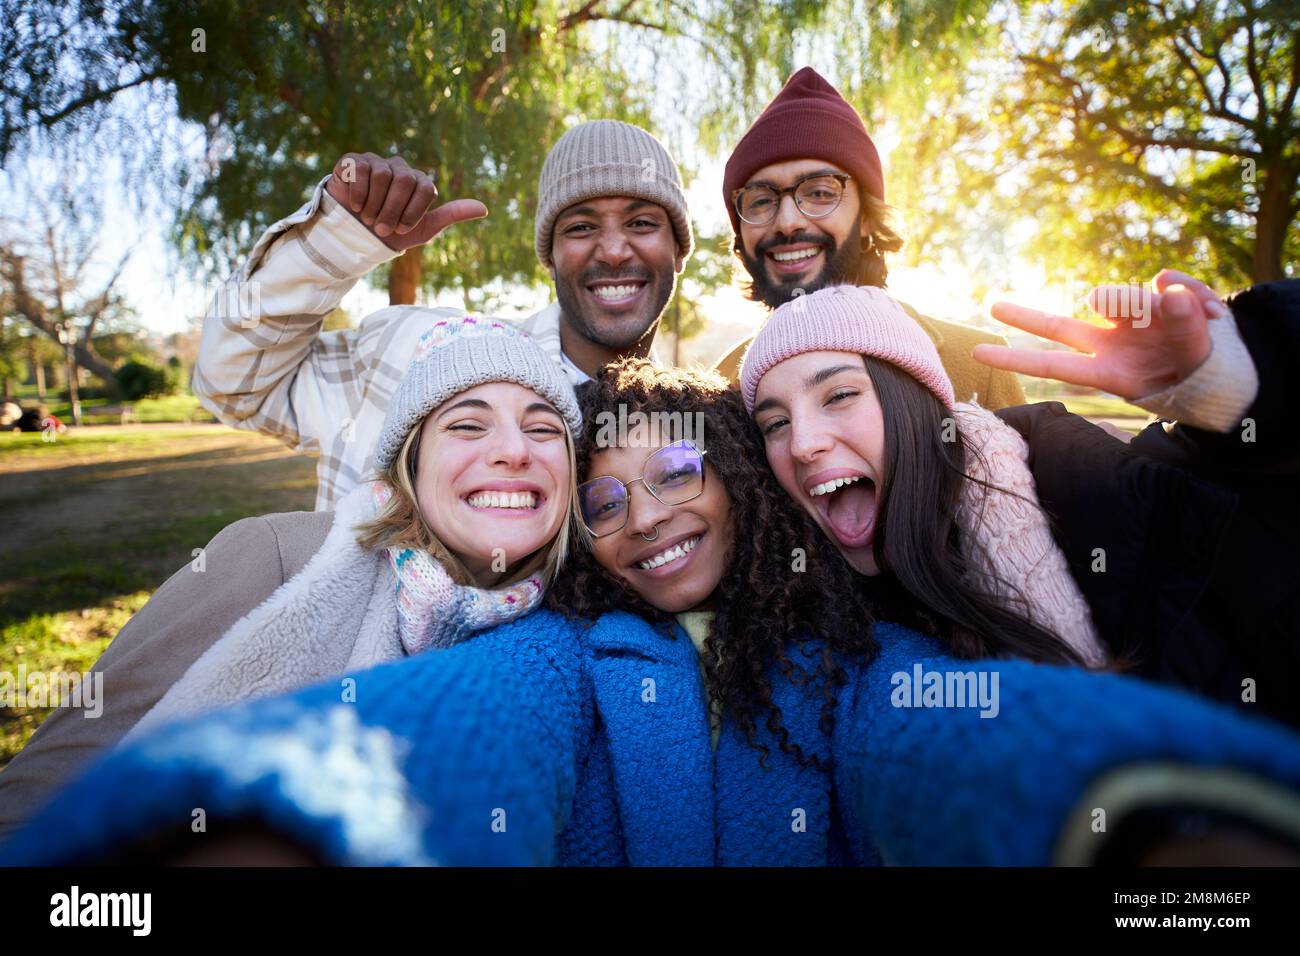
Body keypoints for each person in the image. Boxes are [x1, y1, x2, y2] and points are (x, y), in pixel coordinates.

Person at [8, 360, 1300, 867]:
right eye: (606, 497)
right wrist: (293, 816)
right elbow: (456, 725)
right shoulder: (551, 648)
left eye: (681, 476)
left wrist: (1132, 808)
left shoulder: (843, 647)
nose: (645, 517)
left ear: (744, 486)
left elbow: (941, 723)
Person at [0, 316, 581, 836]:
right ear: (412, 457)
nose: (513, 450)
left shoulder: (575, 628)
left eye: (544, 429)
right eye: (467, 426)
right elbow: (53, 777)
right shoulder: (275, 556)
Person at [742, 275, 1300, 727]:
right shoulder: (804, 582)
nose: (804, 442)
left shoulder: (1074, 478)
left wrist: (1247, 391)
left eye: (839, 395)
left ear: (914, 404)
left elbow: (1254, 539)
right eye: (774, 423)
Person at [193, 120, 691, 509]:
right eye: (580, 227)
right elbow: (234, 386)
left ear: (678, 250)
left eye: (642, 222)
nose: (612, 250)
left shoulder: (700, 427)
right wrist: (336, 243)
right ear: (550, 256)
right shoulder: (422, 353)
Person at [711, 67, 1025, 410]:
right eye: (760, 200)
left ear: (866, 219)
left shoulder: (982, 367)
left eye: (819, 192)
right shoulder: (720, 388)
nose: (787, 222)